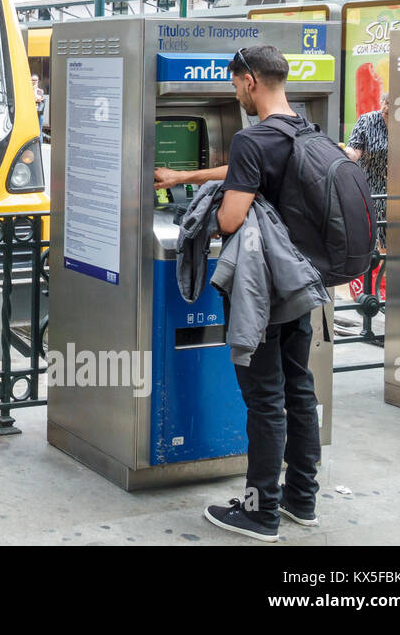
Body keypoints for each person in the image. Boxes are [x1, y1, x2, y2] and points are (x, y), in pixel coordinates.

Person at [154, 46, 322, 542]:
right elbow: (242, 174)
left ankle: (259, 510)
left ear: (249, 81)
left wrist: (208, 205)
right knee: (300, 389)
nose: (235, 95)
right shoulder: (306, 130)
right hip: (299, 282)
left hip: (260, 289)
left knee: (265, 398)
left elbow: (229, 217)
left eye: (233, 86)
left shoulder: (252, 139)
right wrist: (185, 177)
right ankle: (301, 500)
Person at [345, 93, 388, 246]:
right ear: (381, 101)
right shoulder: (367, 120)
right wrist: (344, 152)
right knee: (373, 239)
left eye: (392, 104)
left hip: (398, 193)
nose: (387, 108)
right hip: (372, 189)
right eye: (385, 103)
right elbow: (355, 151)